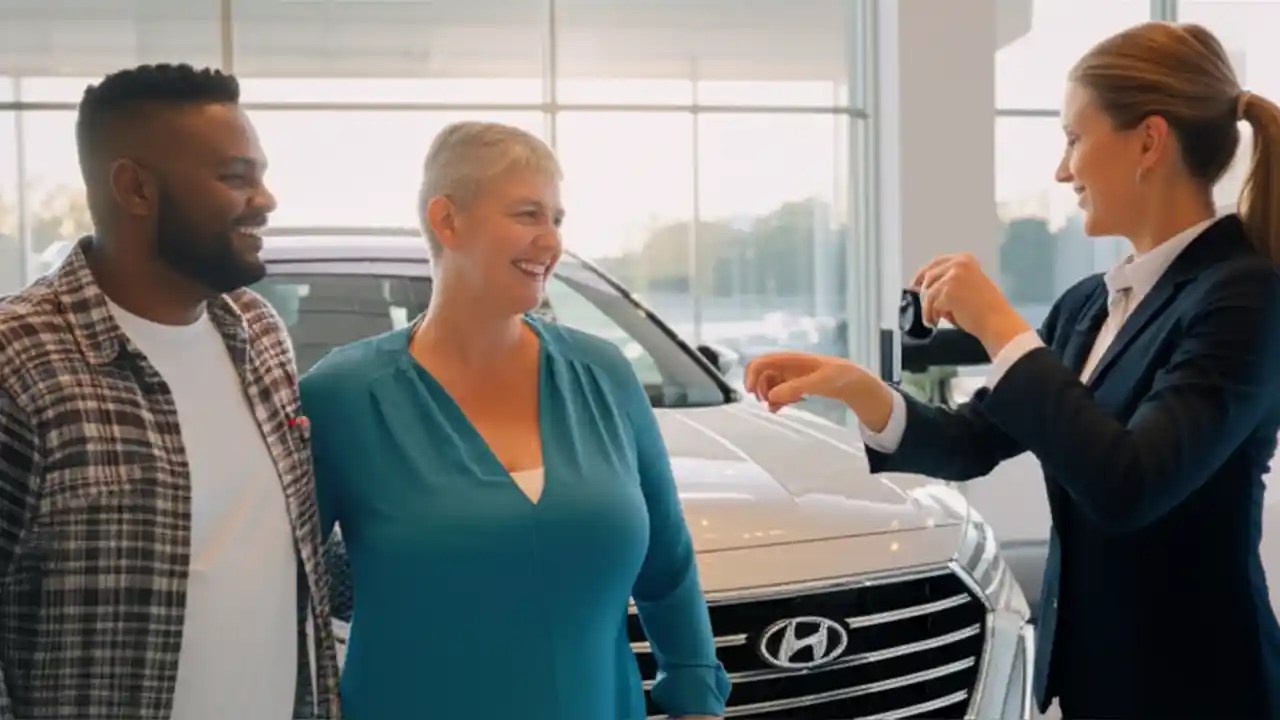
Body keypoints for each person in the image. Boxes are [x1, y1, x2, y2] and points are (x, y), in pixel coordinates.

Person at [746, 21, 1280, 720]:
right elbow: (971, 442)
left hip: (1203, 687)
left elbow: (1130, 485)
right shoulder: (1092, 303)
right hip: (1097, 679)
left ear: (1148, 141)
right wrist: (857, 387)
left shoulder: (1246, 295)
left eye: (1074, 138)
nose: (1064, 171)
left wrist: (999, 325)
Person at [299, 121, 730, 720]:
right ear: (447, 221)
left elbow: (668, 566)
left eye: (557, 219)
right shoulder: (342, 396)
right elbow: (282, 593)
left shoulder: (604, 375)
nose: (550, 242)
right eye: (528, 215)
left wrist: (695, 697)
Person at [0, 64, 341, 719]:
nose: (265, 199)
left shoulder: (260, 334)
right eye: (235, 177)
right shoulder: (19, 361)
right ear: (135, 188)